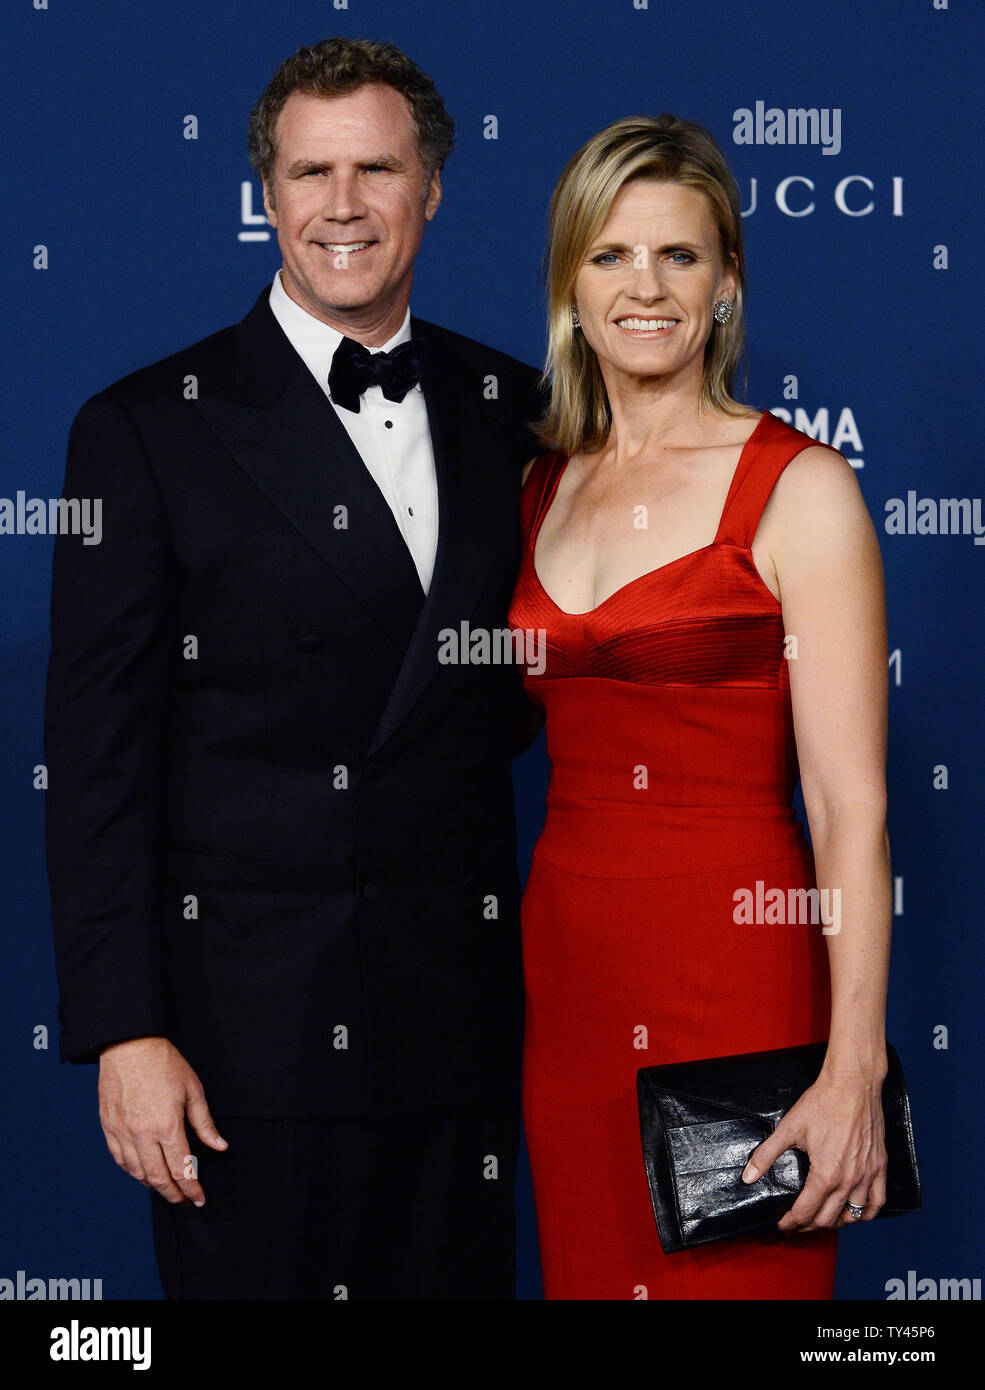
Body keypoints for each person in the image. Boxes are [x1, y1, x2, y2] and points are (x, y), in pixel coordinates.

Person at [44, 36, 543, 1300]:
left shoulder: (517, 408)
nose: (342, 206)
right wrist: (124, 1028)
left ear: (431, 186)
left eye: (376, 168)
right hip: (242, 1045)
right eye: (310, 171)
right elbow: (96, 761)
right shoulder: (145, 428)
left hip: (458, 1023)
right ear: (264, 193)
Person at [509, 114, 892, 1299]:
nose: (646, 287)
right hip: (567, 978)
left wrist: (854, 1067)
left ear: (727, 280)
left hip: (734, 967)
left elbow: (848, 803)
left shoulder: (802, 486)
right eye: (612, 255)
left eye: (679, 255)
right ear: (571, 283)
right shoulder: (539, 482)